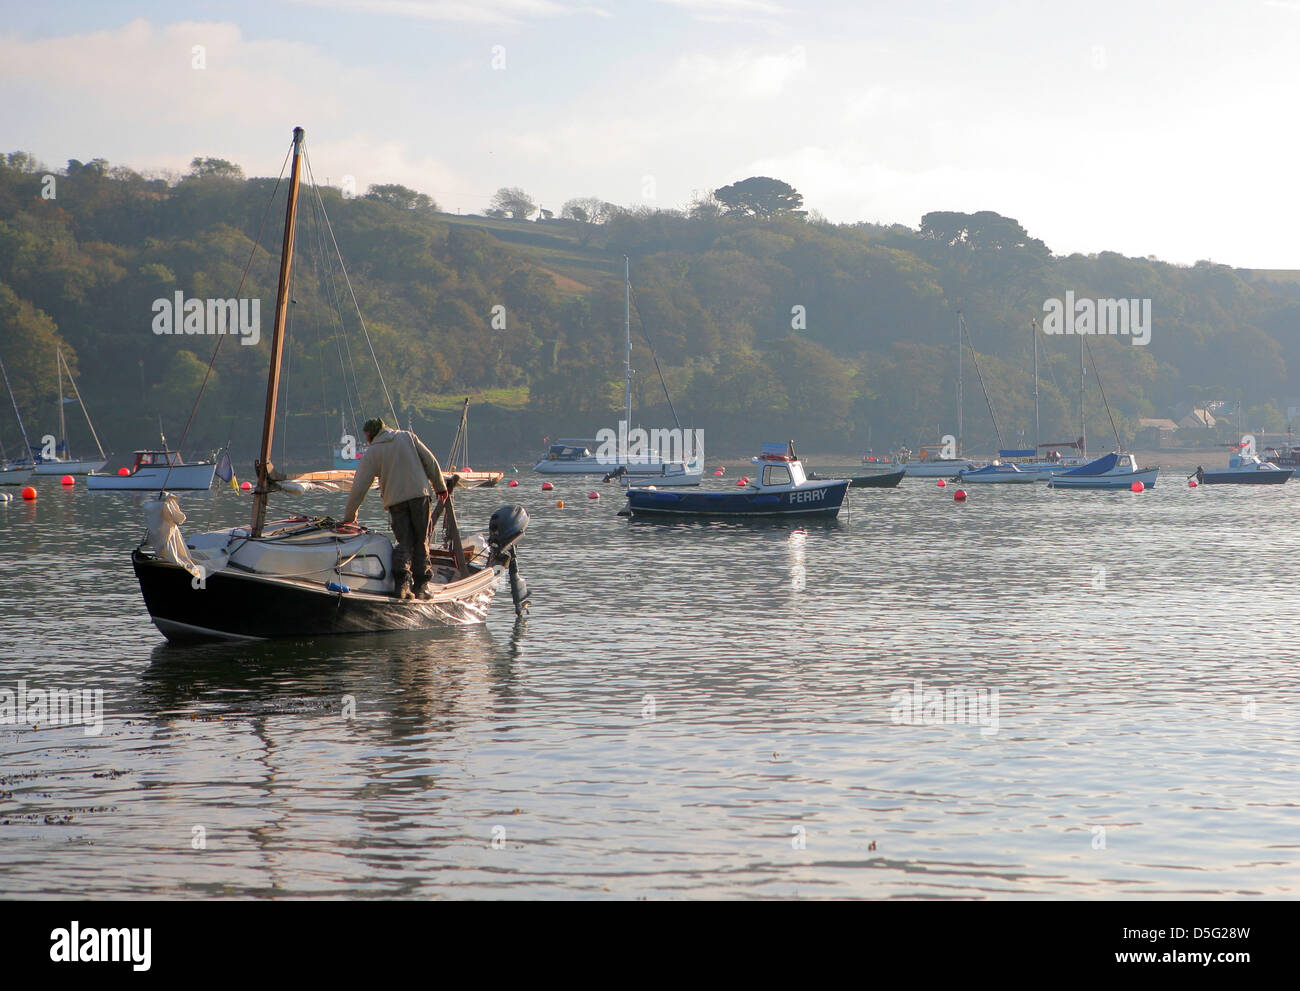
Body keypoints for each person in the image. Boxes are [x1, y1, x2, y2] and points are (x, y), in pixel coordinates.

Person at [341, 417, 456, 601]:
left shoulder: (373, 452)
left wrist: (350, 516)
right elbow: (431, 461)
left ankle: (401, 585)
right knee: (421, 540)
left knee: (404, 541)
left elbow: (359, 486)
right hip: (420, 496)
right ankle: (421, 586)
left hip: (396, 502)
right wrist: (440, 488)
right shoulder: (407, 437)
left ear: (370, 434)